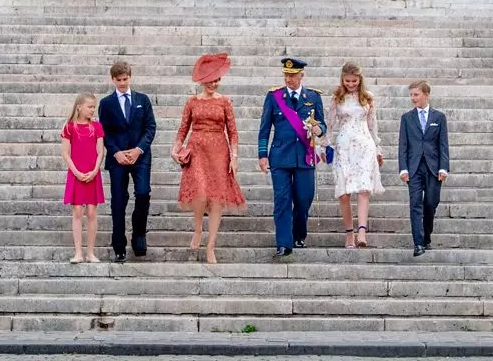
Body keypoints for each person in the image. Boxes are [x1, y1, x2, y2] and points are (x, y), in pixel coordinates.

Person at [172, 53, 245, 264]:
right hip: (197, 152)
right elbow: (182, 129)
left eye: (217, 80)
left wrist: (234, 157)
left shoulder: (225, 102)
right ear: (203, 81)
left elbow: (233, 132)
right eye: (210, 80)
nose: (214, 83)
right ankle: (197, 229)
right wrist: (175, 148)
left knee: (216, 199)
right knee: (201, 192)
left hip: (219, 153)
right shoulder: (192, 102)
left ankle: (211, 245)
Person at [258, 57, 325, 259]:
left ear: (301, 75)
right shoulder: (274, 96)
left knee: (304, 198)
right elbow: (264, 129)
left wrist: (318, 129)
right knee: (282, 200)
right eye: (287, 75)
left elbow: (323, 124)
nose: (289, 79)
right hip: (280, 156)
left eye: (293, 76)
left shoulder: (313, 97)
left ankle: (298, 233)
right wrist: (262, 155)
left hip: (305, 156)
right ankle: (284, 243)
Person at [97, 61, 156, 262]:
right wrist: (115, 153)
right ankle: (119, 244)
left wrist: (139, 150)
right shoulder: (106, 103)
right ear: (113, 80)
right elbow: (104, 132)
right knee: (118, 201)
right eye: (119, 80)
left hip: (140, 156)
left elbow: (150, 128)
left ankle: (139, 233)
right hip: (118, 158)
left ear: (130, 77)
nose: (122, 83)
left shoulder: (143, 100)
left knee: (142, 193)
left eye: (125, 79)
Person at [326, 63, 384, 249]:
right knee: (344, 192)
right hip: (344, 146)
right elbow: (330, 124)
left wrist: (378, 149)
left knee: (363, 189)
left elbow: (372, 124)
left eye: (354, 81)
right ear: (342, 80)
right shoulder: (337, 98)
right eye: (347, 81)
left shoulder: (367, 98)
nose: (351, 84)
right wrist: (324, 144)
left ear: (360, 80)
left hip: (364, 145)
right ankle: (349, 232)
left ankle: (362, 231)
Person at [398, 80, 449, 257]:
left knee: (430, 203)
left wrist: (444, 168)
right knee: (415, 204)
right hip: (414, 168)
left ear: (426, 95)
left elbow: (443, 145)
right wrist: (403, 169)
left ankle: (426, 236)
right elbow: (403, 145)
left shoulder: (439, 117)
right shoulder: (406, 118)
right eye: (411, 95)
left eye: (416, 94)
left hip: (433, 167)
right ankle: (418, 243)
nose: (413, 98)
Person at [61, 93, 105, 264]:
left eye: (94, 107)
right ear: (79, 107)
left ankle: (91, 253)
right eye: (90, 106)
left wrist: (95, 170)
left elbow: (100, 151)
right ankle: (78, 252)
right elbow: (65, 153)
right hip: (76, 173)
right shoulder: (69, 127)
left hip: (92, 173)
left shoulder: (97, 126)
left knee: (92, 212)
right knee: (78, 211)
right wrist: (76, 172)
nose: (92, 110)